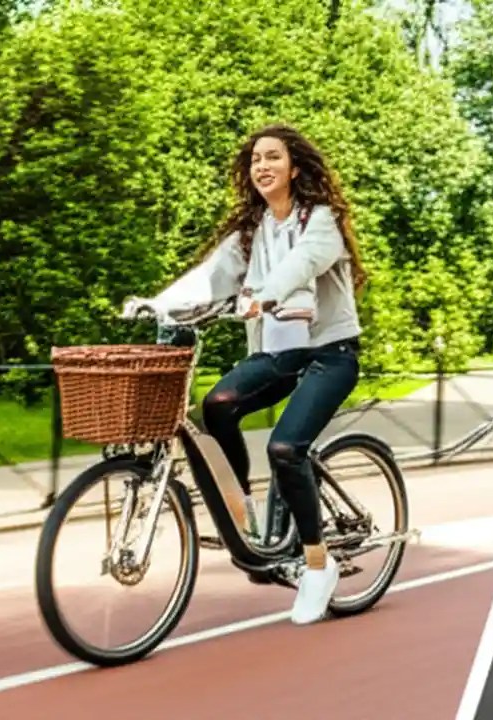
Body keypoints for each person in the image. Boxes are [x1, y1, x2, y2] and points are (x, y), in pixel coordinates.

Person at [139, 123, 368, 624]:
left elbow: (304, 263)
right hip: (279, 354)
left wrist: (265, 294)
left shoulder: (321, 221)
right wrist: (157, 304)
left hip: (330, 354)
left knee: (285, 448)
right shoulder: (252, 231)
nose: (261, 166)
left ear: (295, 168)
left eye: (273, 157)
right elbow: (211, 275)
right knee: (215, 407)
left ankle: (316, 565)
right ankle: (243, 512)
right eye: (254, 160)